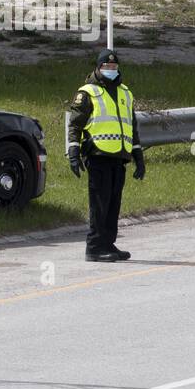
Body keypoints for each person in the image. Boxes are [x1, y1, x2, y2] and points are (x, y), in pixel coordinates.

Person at [66, 48, 145, 262]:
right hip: (98, 155)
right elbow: (75, 125)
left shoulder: (125, 93)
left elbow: (132, 127)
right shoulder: (88, 92)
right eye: (107, 66)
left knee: (113, 203)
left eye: (114, 67)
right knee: (100, 203)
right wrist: (73, 152)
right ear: (98, 68)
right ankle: (94, 247)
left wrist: (138, 156)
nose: (111, 70)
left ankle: (108, 243)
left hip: (119, 156)